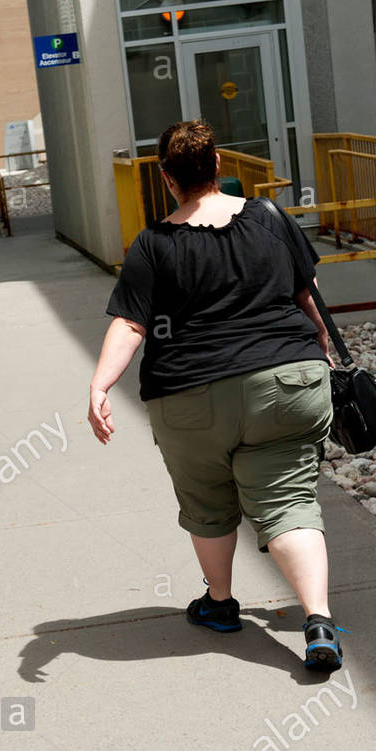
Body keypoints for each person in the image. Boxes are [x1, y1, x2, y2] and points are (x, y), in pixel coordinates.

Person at [88, 120, 343, 670]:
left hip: (189, 396)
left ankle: (221, 604)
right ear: (219, 167)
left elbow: (131, 325)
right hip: (286, 383)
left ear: (165, 176)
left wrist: (100, 384)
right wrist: (320, 347)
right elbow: (308, 294)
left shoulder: (153, 245)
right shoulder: (272, 219)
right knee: (288, 503)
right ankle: (318, 621)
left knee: (208, 504)